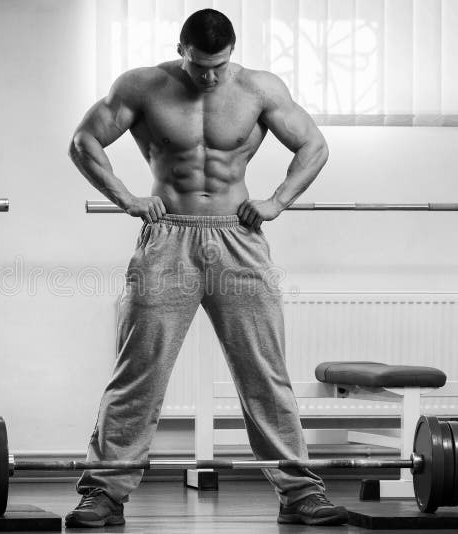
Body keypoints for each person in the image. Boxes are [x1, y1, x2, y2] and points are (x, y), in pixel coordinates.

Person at [66, 8, 348, 528]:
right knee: (139, 370)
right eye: (201, 67)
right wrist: (125, 197)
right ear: (182, 48)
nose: (211, 77)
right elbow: (84, 142)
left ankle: (299, 492)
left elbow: (314, 144)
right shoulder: (142, 86)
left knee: (264, 369)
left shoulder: (260, 89)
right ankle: (104, 492)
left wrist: (278, 200)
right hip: (168, 235)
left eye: (220, 66)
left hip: (238, 237)